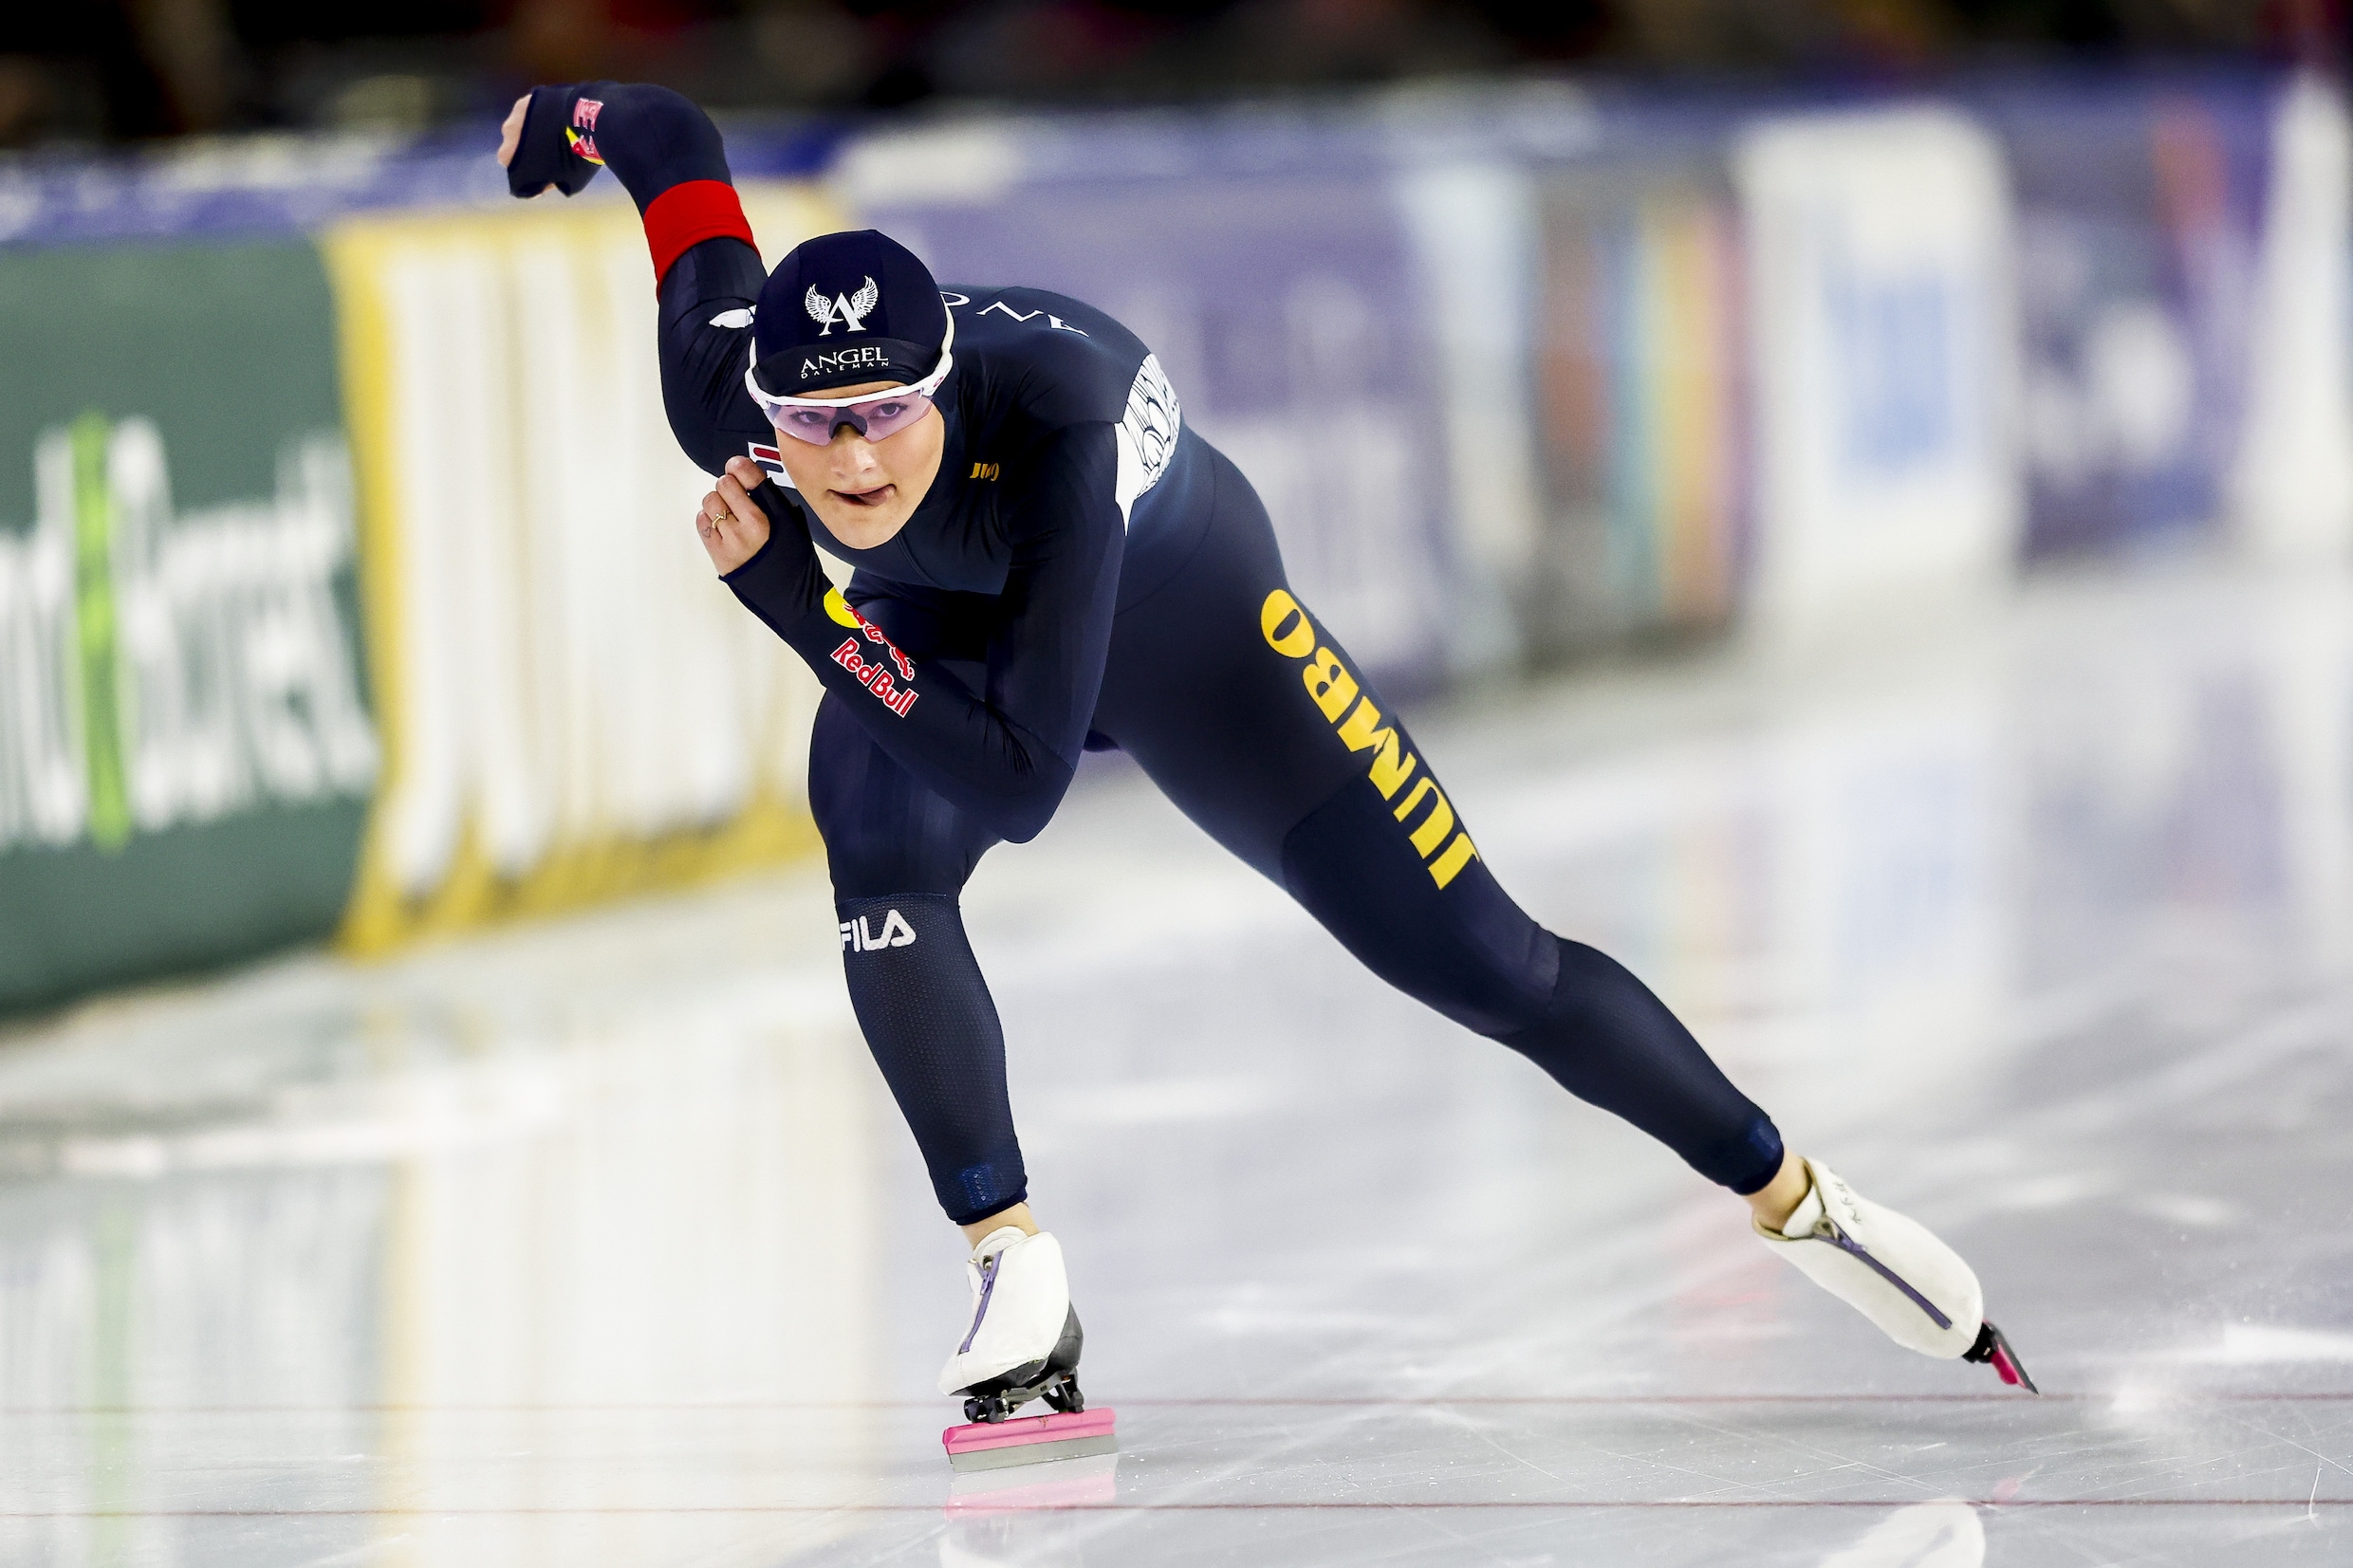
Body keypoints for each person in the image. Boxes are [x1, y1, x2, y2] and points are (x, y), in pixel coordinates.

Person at [496, 83, 2036, 1419]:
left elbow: (1030, 779)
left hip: (1196, 640)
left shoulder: (1057, 424)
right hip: (955, 633)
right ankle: (1011, 1261)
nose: (845, 457)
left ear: (942, 385)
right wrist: (564, 124)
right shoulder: (729, 389)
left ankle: (1799, 1199)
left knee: (1491, 965)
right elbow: (669, 136)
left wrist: (796, 607)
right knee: (876, 837)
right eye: (810, 423)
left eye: (887, 414)